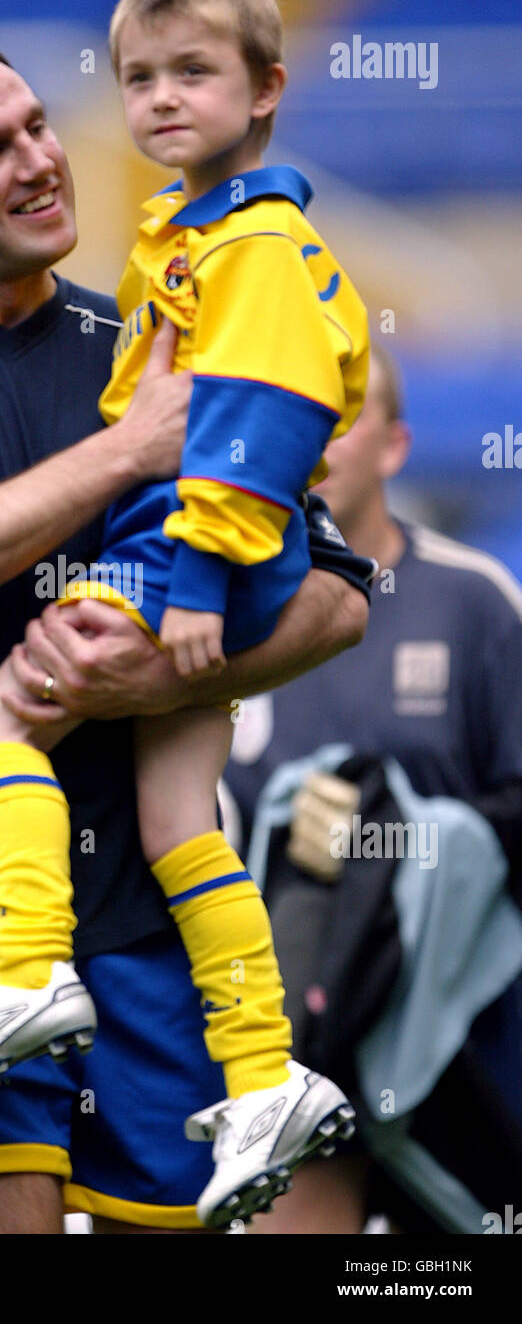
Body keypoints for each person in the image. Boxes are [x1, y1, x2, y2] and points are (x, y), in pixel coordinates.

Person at [0, 32, 370, 1234]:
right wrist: (129, 450)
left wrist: (156, 675)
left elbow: (336, 593)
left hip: (158, 919)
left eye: (38, 124)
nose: (43, 160)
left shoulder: (156, 337)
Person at [222, 345, 522, 1233]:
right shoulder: (225, 612)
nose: (318, 442)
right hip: (299, 1043)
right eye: (298, 418)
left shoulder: (474, 601)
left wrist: (387, 833)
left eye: (342, 416)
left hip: (458, 1033)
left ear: (395, 446)